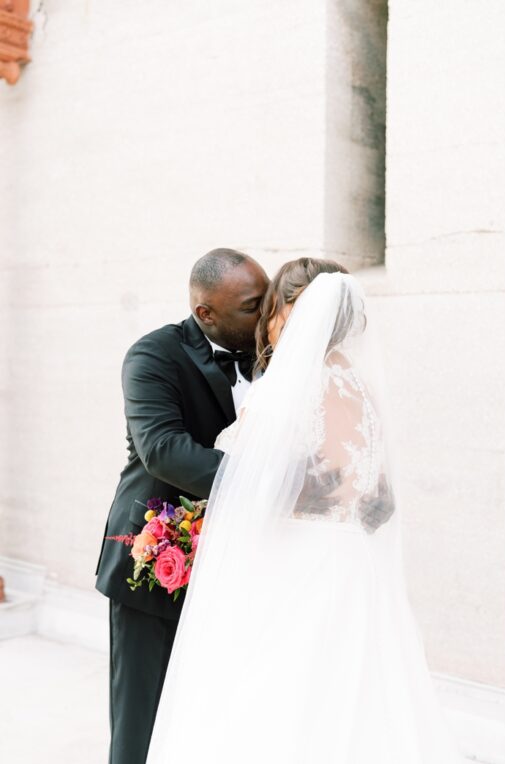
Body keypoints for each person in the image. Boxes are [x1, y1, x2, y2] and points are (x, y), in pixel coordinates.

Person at [146, 260, 461, 762]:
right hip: (353, 563)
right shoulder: (359, 386)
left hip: (294, 565)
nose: (265, 325)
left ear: (290, 313)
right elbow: (377, 497)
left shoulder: (289, 389)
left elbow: (259, 482)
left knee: (280, 700)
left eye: (269, 308)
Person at [95, 248, 269, 764]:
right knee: (141, 715)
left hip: (237, 561)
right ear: (206, 314)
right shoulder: (152, 355)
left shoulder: (276, 358)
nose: (265, 317)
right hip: (152, 555)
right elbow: (162, 449)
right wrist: (274, 483)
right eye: (251, 305)